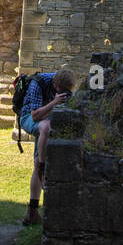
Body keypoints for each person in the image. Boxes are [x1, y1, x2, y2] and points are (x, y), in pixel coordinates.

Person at [19, 68, 76, 226]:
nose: (64, 93)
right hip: (28, 117)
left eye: (67, 91)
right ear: (55, 84)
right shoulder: (38, 83)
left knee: (37, 161)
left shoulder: (64, 86)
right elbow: (35, 115)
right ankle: (43, 168)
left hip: (47, 121)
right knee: (44, 127)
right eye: (62, 90)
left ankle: (32, 212)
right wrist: (54, 102)